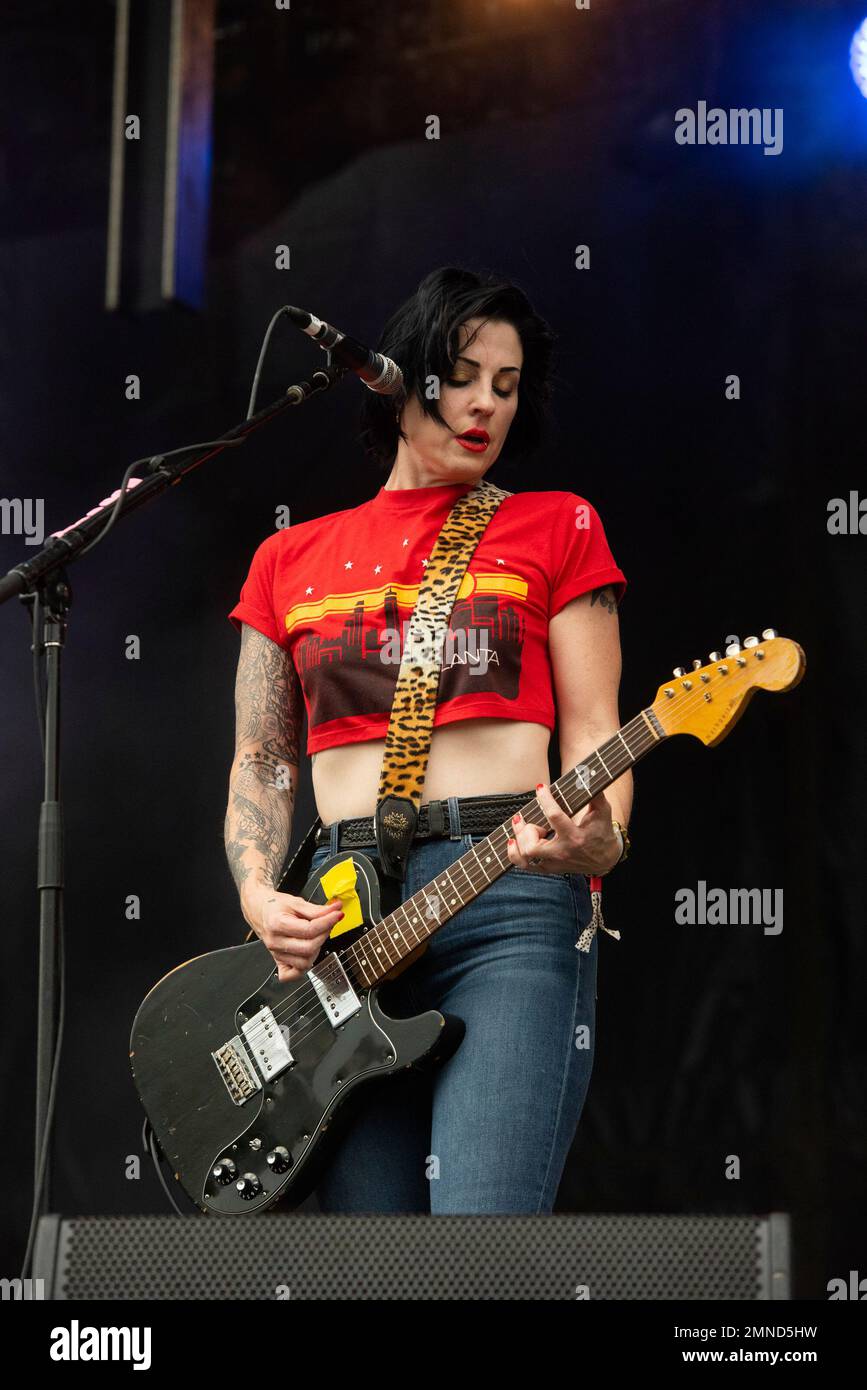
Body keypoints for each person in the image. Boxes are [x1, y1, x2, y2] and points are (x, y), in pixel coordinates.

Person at [224, 266, 631, 1214]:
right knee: (376, 1268)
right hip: (344, 921)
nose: (486, 402)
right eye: (463, 374)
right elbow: (263, 757)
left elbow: (596, 731)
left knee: (480, 1243)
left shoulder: (555, 524)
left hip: (510, 900)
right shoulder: (288, 558)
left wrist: (603, 834)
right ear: (400, 377)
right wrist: (254, 890)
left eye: (508, 382)